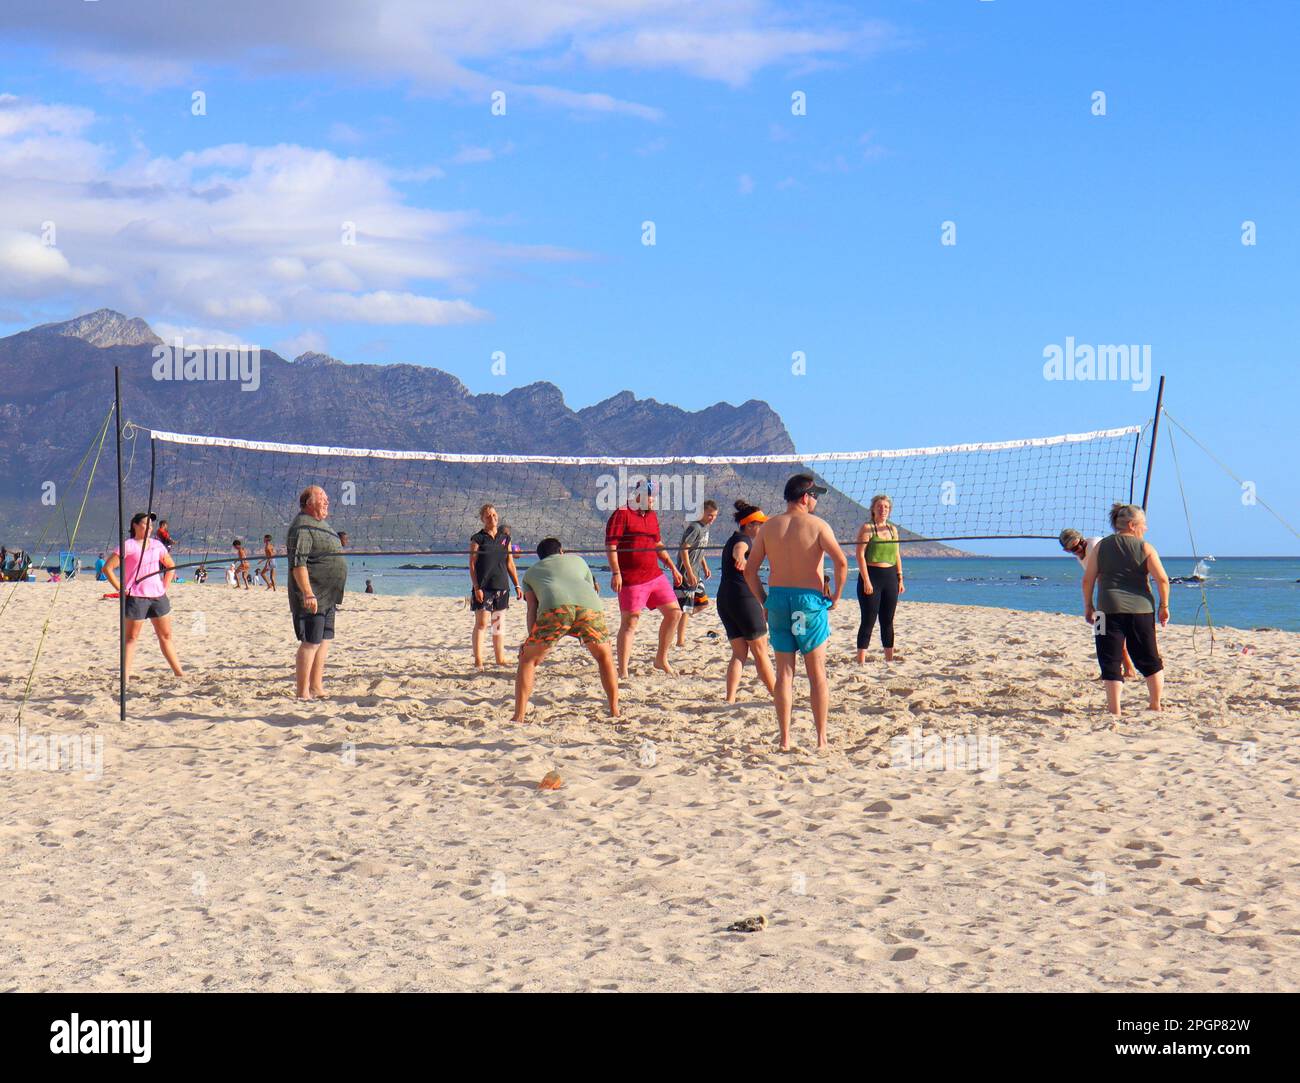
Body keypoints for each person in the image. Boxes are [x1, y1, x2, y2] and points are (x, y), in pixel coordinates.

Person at [744, 474, 848, 751]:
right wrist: (835, 596)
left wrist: (765, 600)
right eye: (815, 496)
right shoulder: (817, 526)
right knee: (816, 674)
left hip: (778, 600)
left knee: (785, 673)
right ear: (805, 497)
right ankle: (821, 739)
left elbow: (749, 570)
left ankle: (785, 739)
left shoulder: (768, 527)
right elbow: (841, 562)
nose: (816, 501)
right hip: (807, 603)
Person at [513, 537, 618, 722]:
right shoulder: (578, 560)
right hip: (590, 607)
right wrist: (582, 630)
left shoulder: (531, 572)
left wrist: (530, 639)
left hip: (556, 609)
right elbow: (594, 589)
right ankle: (614, 710)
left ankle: (519, 716)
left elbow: (532, 608)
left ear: (541, 558)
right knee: (604, 656)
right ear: (561, 552)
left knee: (527, 660)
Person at [1081, 503, 1170, 716]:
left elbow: (1087, 580)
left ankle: (1115, 710)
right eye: (1143, 524)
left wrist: (1088, 606)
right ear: (1132, 525)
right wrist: (1164, 606)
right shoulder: (1145, 547)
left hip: (1105, 609)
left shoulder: (1101, 546)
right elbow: (1163, 580)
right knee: (1149, 657)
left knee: (1108, 658)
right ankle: (1155, 704)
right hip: (1141, 610)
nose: (1146, 528)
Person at [605, 479, 682, 677]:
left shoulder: (652, 515)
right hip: (631, 578)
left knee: (675, 613)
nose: (653, 500)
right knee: (630, 623)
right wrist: (616, 572)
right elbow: (611, 545)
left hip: (655, 575)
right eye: (651, 496)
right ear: (638, 495)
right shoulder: (622, 513)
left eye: (655, 495)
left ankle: (661, 659)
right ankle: (622, 671)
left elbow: (657, 544)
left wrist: (673, 567)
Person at [102, 511, 183, 679]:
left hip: (158, 597)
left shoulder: (157, 545)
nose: (150, 527)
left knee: (166, 636)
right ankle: (125, 677)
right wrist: (121, 588)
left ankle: (179, 673)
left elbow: (170, 566)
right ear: (135, 525)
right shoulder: (129, 545)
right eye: (146, 524)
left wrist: (164, 587)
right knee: (131, 638)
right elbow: (107, 569)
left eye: (151, 524)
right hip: (136, 597)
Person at [287, 486, 348, 701]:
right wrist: (308, 593)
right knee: (311, 642)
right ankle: (302, 692)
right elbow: (298, 564)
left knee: (324, 640)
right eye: (322, 498)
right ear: (309, 503)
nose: (327, 501)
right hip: (315, 595)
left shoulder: (320, 524)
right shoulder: (302, 526)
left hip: (329, 595)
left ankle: (316, 686)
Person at [717, 501, 776, 703]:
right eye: (761, 523)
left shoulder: (733, 538)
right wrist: (741, 556)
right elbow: (740, 549)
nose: (763, 527)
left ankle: (730, 698)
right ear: (750, 525)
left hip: (724, 600)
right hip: (742, 599)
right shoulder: (744, 540)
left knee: (739, 653)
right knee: (761, 653)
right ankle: (778, 696)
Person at [1061, 527, 1135, 679]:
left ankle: (1124, 670)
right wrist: (1090, 605)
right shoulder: (1080, 554)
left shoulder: (1095, 544)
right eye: (1072, 549)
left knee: (1106, 633)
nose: (1078, 549)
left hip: (1118, 591)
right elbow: (1093, 578)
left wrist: (1089, 606)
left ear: (1082, 540)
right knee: (1102, 633)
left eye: (1079, 544)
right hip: (1107, 593)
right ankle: (1121, 669)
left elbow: (1093, 578)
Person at [469, 503, 522, 669]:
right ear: (482, 519)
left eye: (493, 514)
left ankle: (500, 659)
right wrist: (477, 587)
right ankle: (478, 661)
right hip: (484, 588)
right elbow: (472, 564)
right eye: (487, 516)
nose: (492, 518)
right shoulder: (477, 538)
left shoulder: (504, 537)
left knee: (498, 624)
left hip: (502, 586)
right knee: (482, 623)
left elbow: (510, 563)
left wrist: (517, 585)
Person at [855, 494, 904, 663]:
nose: (883, 510)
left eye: (886, 507)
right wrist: (866, 580)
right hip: (872, 576)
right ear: (873, 509)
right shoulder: (867, 528)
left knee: (887, 620)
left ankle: (889, 660)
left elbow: (897, 554)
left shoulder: (893, 530)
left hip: (890, 577)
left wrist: (900, 578)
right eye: (880, 506)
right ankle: (860, 661)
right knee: (868, 620)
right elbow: (860, 556)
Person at [674, 500, 719, 646]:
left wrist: (705, 566)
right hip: (686, 574)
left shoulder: (706, 528)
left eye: (715, 516)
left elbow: (700, 550)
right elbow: (684, 550)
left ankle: (679, 619)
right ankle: (680, 641)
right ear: (702, 513)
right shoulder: (694, 528)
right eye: (710, 515)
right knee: (686, 609)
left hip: (696, 572)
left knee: (703, 603)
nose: (712, 518)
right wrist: (688, 571)